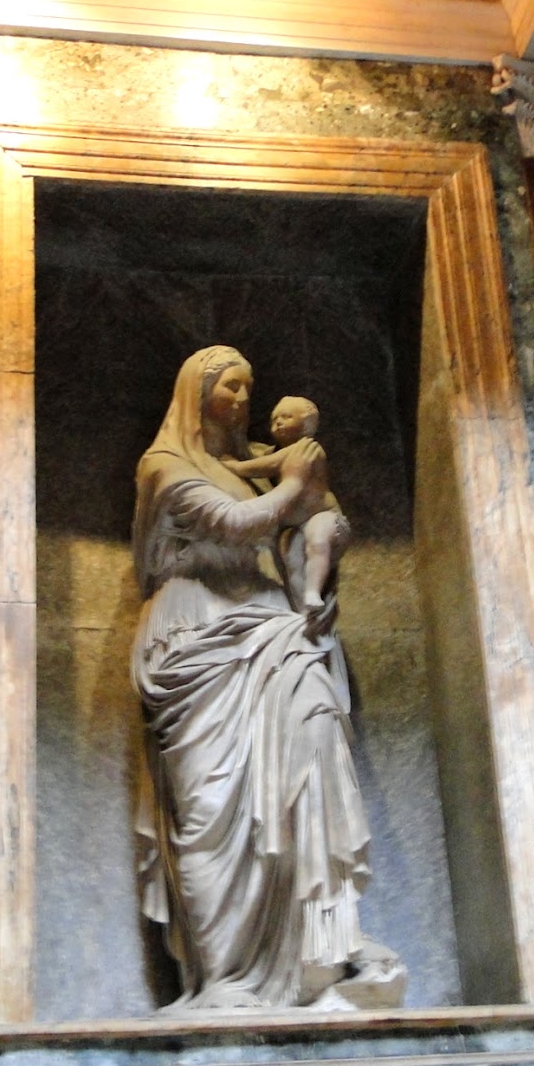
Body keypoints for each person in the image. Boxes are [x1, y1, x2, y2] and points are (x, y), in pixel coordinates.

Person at [131, 345, 392, 1010]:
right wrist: (296, 486)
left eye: (250, 386)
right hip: (195, 635)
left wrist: (321, 539)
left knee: (315, 745)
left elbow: (302, 526)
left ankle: (325, 943)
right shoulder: (164, 467)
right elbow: (236, 522)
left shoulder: (254, 464)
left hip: (271, 621)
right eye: (231, 388)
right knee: (211, 806)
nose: (245, 399)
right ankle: (221, 978)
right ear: (198, 396)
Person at [221, 395, 351, 611]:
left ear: (307, 424)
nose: (278, 422)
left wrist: (233, 466)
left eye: (287, 416)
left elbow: (262, 466)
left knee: (317, 541)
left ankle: (312, 592)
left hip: (325, 517)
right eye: (275, 418)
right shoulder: (276, 451)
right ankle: (303, 612)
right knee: (293, 562)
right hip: (296, 527)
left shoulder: (306, 448)